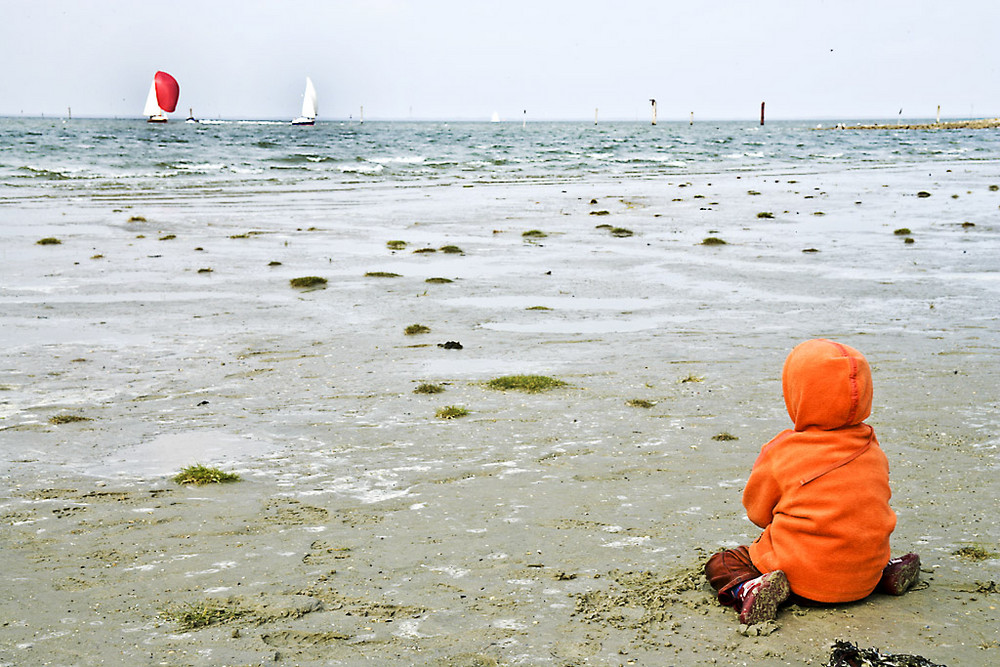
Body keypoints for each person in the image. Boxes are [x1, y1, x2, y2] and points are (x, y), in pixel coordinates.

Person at [705, 338, 920, 625]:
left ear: (797, 394)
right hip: (863, 580)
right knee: (858, 541)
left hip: (802, 582)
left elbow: (758, 514)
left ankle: (749, 588)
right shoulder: (873, 448)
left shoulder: (782, 452)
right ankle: (886, 572)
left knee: (723, 562)